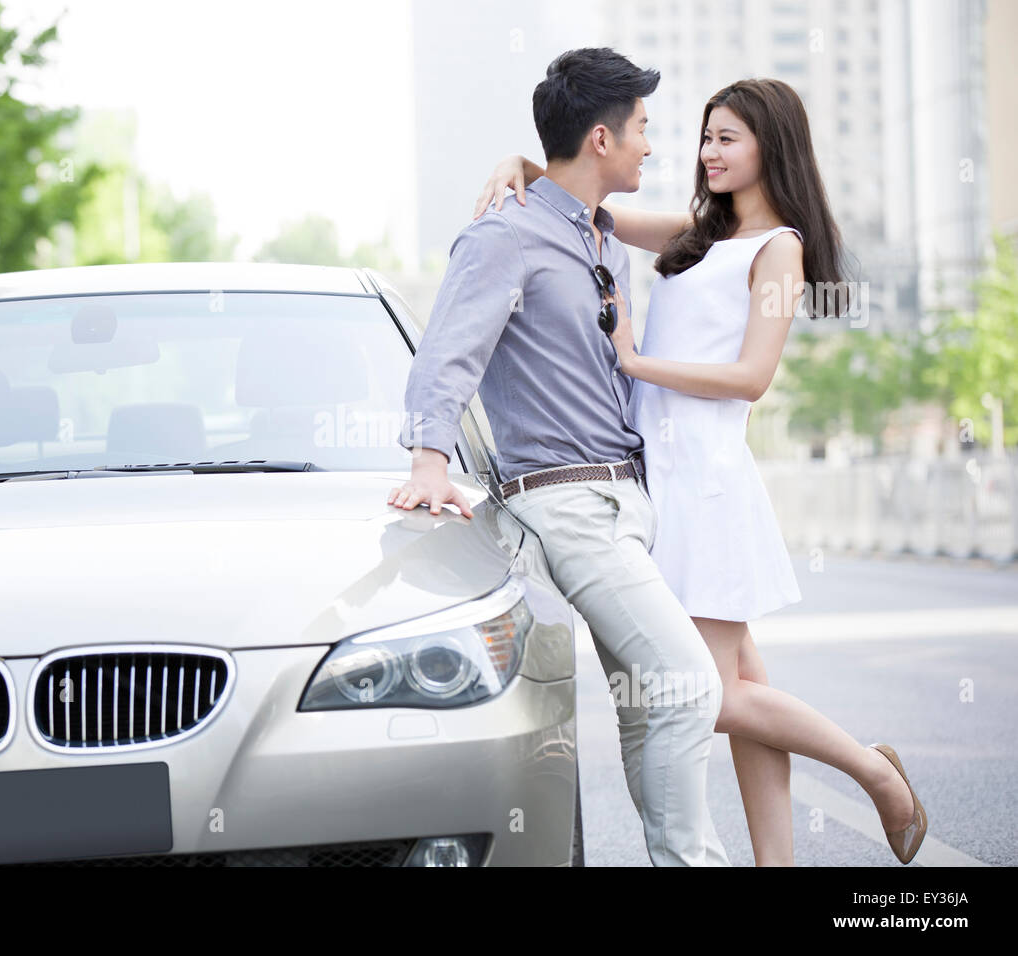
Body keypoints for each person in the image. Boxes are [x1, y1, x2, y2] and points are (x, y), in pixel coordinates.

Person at [472, 76, 927, 865]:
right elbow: (596, 207)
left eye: (729, 139)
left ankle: (874, 775)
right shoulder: (698, 233)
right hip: (662, 480)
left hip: (708, 484)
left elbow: (753, 377)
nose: (709, 152)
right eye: (707, 137)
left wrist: (639, 364)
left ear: (769, 148)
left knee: (706, 696)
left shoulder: (779, 247)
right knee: (741, 684)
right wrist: (526, 162)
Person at [388, 47, 730, 866]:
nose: (655, 145)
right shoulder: (504, 237)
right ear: (605, 138)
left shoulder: (602, 239)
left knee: (650, 704)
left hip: (623, 502)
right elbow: (448, 353)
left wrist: (533, 163)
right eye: (644, 129)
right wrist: (429, 460)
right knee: (689, 685)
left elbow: (715, 226)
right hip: (566, 503)